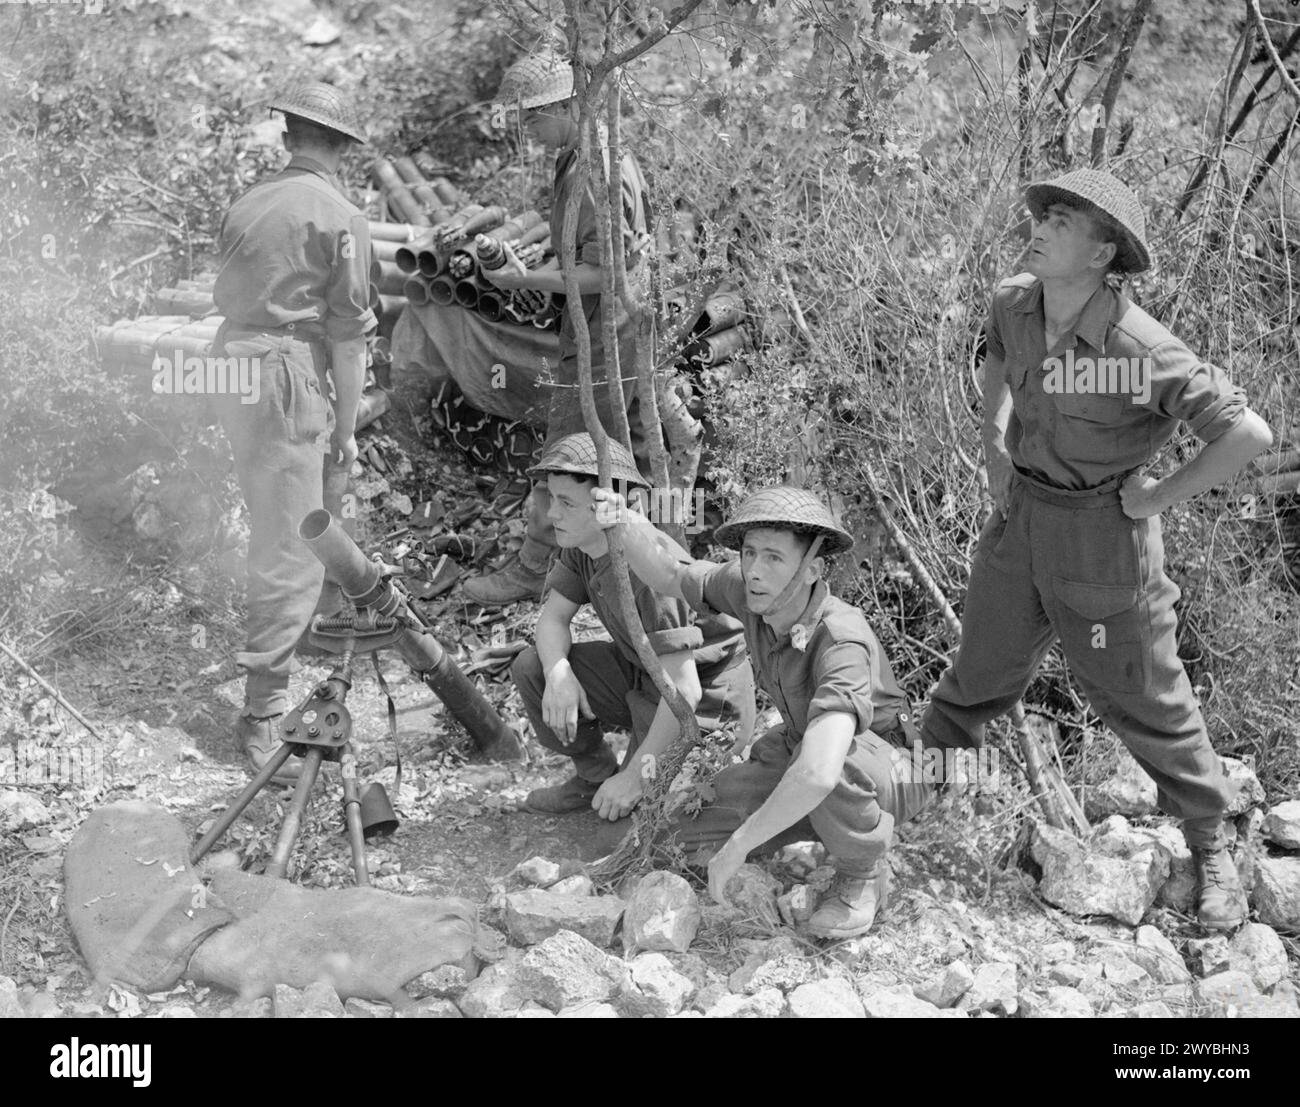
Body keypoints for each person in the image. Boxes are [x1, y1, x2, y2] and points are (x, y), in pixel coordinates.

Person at [918, 168, 1274, 931]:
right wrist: (991, 442)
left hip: (1102, 539)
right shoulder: (1016, 299)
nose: (1039, 227)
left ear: (1103, 251)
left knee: (1143, 695)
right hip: (1022, 520)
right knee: (977, 672)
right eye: (1042, 212)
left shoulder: (1135, 345)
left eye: (1063, 221)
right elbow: (997, 362)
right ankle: (915, 798)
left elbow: (1247, 433)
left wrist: (1154, 497)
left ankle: (1213, 848)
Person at [591, 485, 934, 938]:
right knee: (679, 835)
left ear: (812, 569)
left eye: (773, 557)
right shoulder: (752, 591)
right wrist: (623, 519)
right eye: (749, 553)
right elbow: (671, 574)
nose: (754, 569)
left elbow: (818, 770)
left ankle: (861, 873)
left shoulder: (841, 638)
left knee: (833, 765)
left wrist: (741, 844)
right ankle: (812, 825)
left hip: (888, 765)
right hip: (800, 748)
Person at [212, 81, 374, 784]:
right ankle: (263, 710)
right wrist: (346, 429)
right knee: (292, 543)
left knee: (270, 516)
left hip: (229, 367)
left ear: (288, 139)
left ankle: (290, 649)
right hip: (283, 373)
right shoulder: (340, 215)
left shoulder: (246, 203)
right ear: (342, 150)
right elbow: (349, 338)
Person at [464, 48, 651, 606]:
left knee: (566, 456)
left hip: (605, 339)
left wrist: (524, 283)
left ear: (570, 106)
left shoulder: (595, 169)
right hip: (601, 330)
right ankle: (600, 567)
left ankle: (535, 569)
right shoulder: (581, 157)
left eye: (535, 117)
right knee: (608, 457)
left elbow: (602, 272)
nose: (528, 129)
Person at [512, 432, 755, 818]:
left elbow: (685, 690)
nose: (552, 514)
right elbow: (553, 619)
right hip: (648, 675)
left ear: (605, 507)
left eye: (565, 502)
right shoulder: (582, 545)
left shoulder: (644, 567)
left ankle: (636, 780)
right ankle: (594, 775)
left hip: (705, 699)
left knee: (626, 828)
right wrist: (558, 674)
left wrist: (635, 779)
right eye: (551, 498)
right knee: (533, 667)